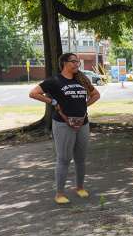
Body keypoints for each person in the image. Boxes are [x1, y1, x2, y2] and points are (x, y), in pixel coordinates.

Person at [29, 52, 101, 204]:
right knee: (64, 158)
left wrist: (84, 106)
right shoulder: (55, 80)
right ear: (64, 63)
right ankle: (59, 193)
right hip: (63, 123)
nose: (77, 64)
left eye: (78, 62)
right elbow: (33, 93)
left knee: (81, 158)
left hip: (83, 123)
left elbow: (96, 94)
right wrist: (53, 102)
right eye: (73, 61)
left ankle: (79, 187)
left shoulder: (81, 79)